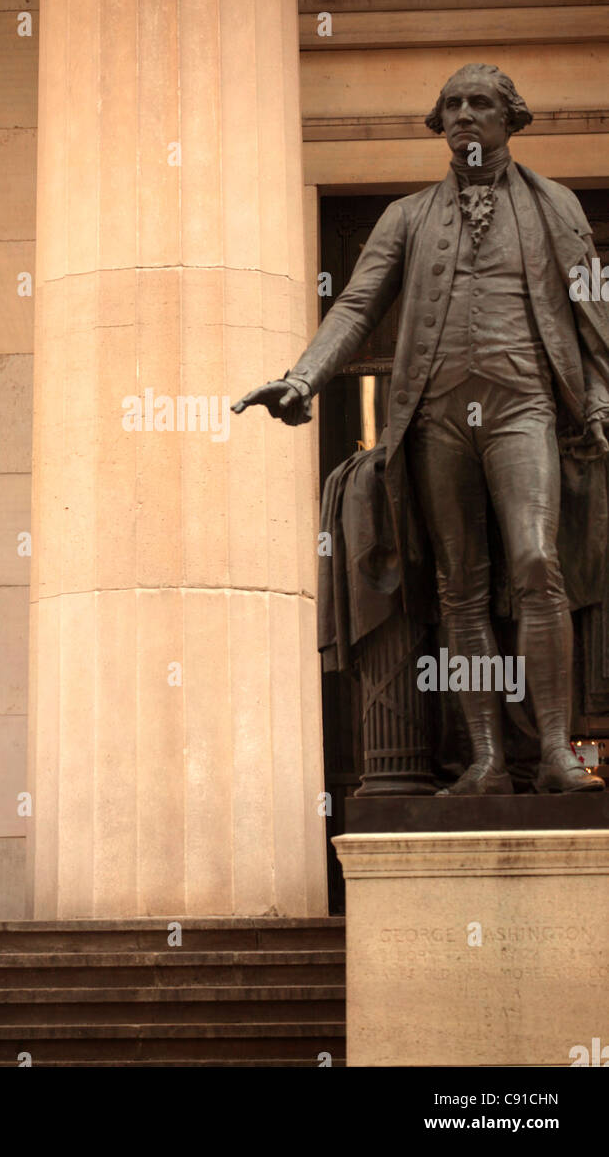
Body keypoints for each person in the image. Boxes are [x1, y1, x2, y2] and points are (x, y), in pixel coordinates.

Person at [234, 63, 607, 795]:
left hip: (522, 404)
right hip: (434, 415)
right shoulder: (405, 216)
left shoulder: (555, 205)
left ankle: (559, 749)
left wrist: (597, 399)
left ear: (510, 119)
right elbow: (357, 304)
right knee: (458, 587)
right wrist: (304, 375)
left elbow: (593, 315)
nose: (466, 114)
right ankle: (488, 760)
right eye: (454, 105)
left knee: (536, 561)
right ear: (440, 122)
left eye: (482, 104)